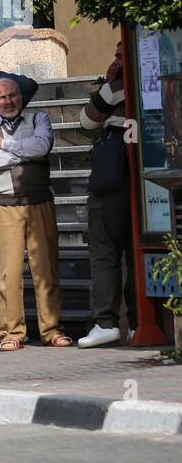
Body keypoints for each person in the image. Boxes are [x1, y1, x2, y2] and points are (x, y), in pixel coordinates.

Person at [0, 72, 71, 352]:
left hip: (39, 200)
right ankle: (11, 332)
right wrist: (26, 154)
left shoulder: (39, 119)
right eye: (2, 97)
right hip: (3, 204)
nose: (8, 101)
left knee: (46, 269)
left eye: (12, 95)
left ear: (21, 97)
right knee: (8, 272)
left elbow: (42, 146)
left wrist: (4, 145)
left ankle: (51, 330)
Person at [78, 42, 136, 347]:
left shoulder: (116, 87)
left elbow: (87, 121)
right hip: (141, 177)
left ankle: (106, 322)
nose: (115, 59)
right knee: (137, 251)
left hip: (113, 178)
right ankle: (139, 323)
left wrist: (109, 81)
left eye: (118, 55)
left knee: (104, 253)